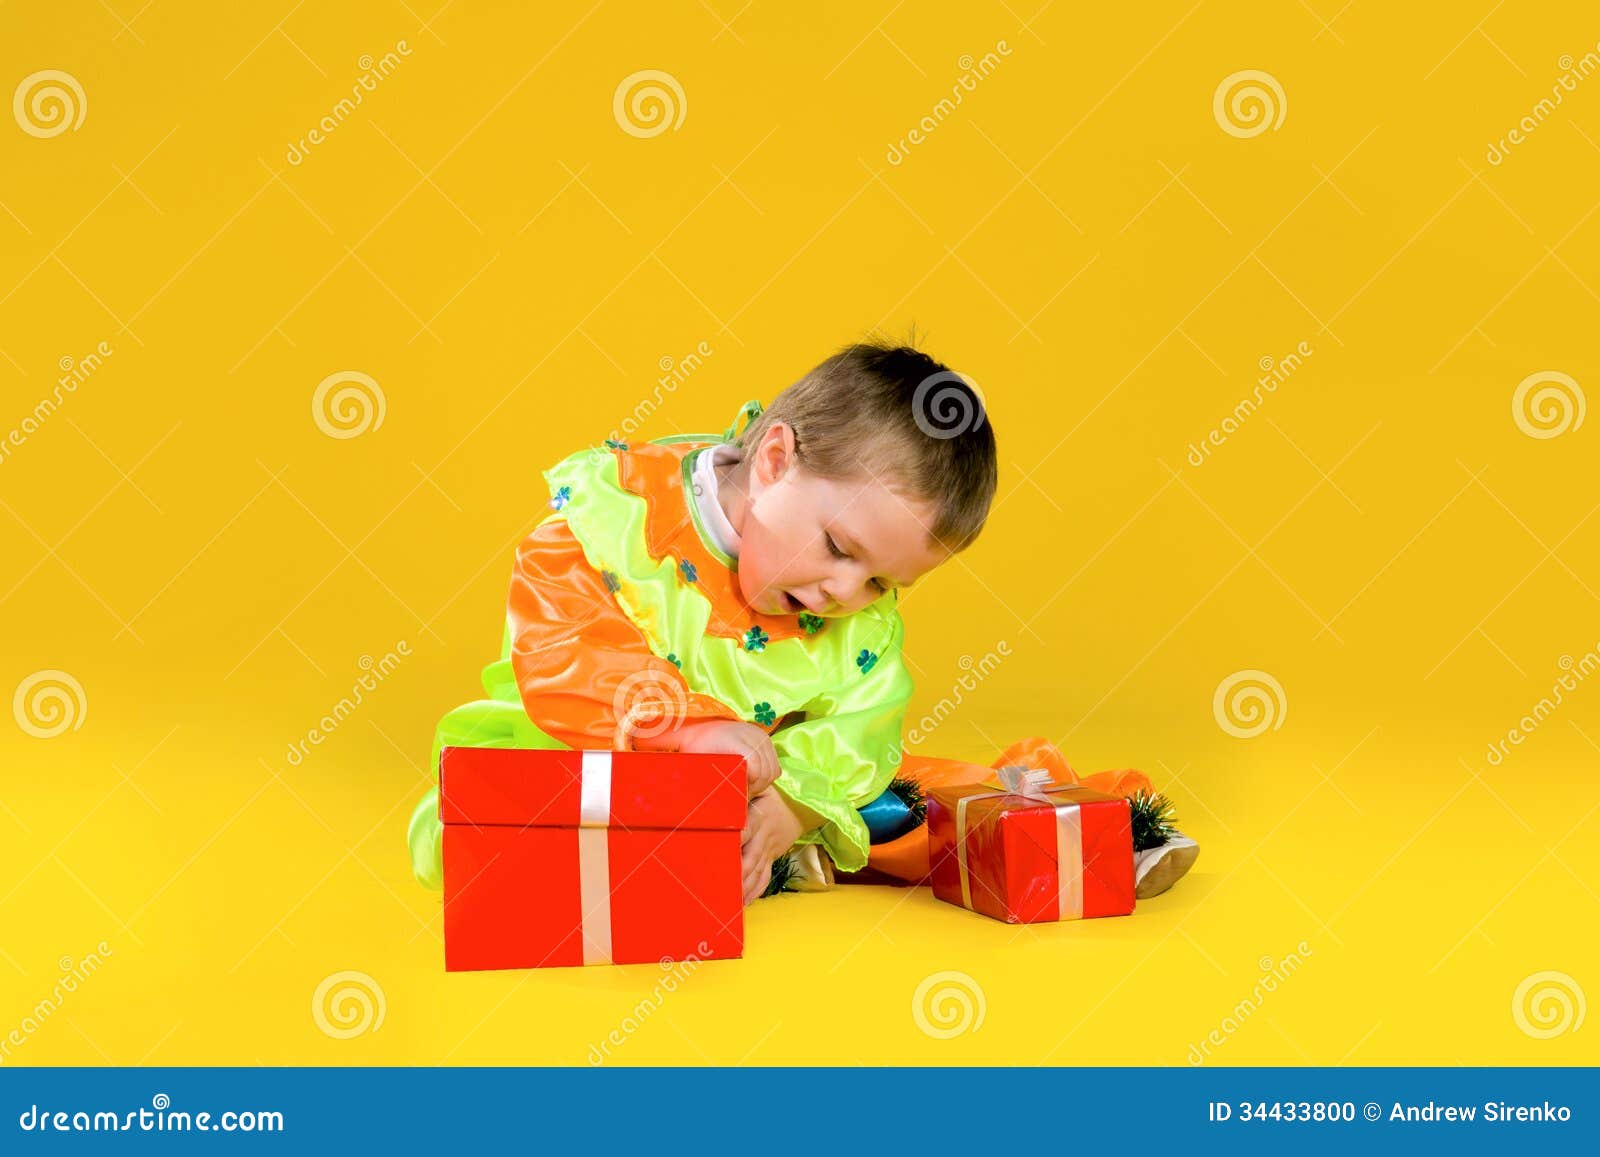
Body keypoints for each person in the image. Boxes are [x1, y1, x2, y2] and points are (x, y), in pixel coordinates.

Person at [407, 340, 996, 905]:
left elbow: (865, 722)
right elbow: (563, 649)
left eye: (881, 582)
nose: (844, 592)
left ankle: (740, 852)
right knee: (481, 841)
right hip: (573, 753)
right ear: (774, 462)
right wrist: (685, 729)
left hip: (726, 797)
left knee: (867, 810)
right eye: (839, 548)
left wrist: (791, 807)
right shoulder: (623, 519)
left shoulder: (857, 615)